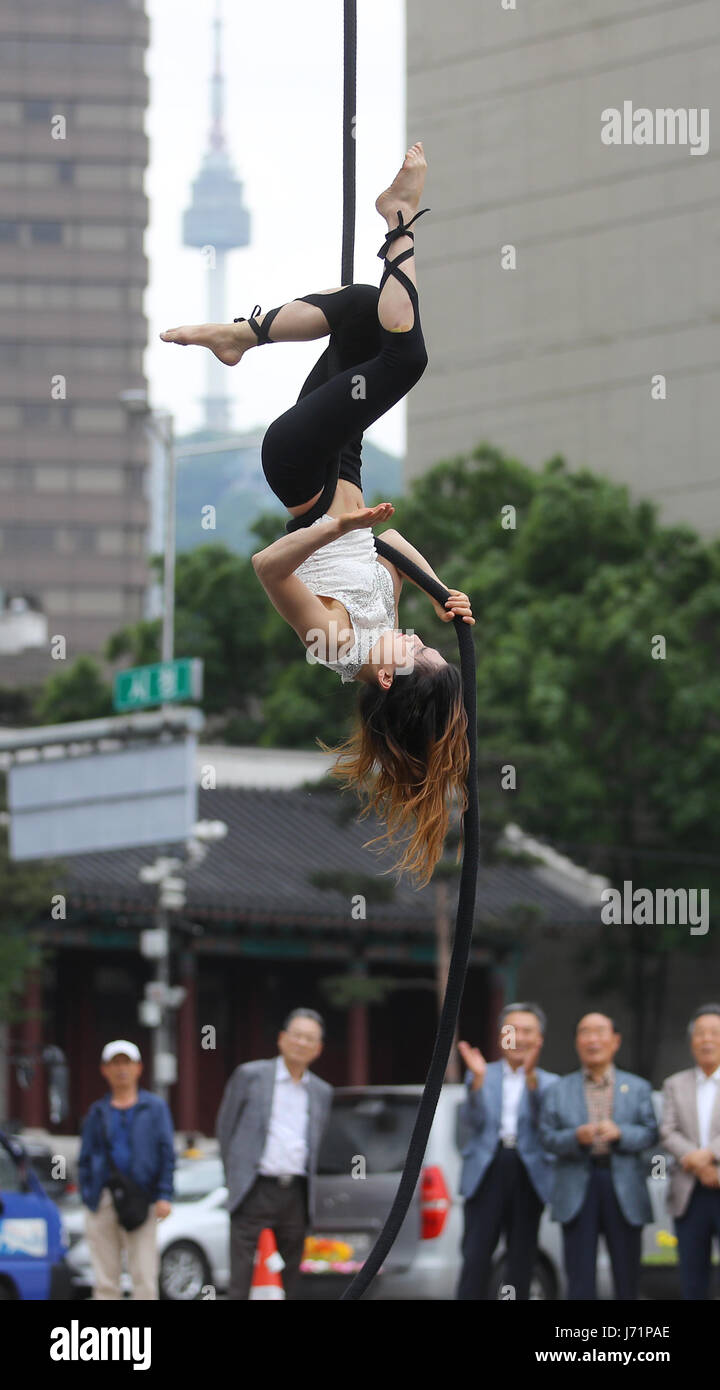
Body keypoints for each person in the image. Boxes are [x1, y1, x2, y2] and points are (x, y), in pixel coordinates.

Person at [160, 143, 474, 890]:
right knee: (368, 313)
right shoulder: (392, 622)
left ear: (393, 680)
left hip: (300, 469)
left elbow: (268, 569)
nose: (426, 643)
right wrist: (436, 587)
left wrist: (331, 530)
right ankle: (243, 334)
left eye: (423, 655)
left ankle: (399, 217)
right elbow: (387, 539)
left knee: (406, 359)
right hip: (346, 468)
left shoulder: (336, 647)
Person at [539, 1013, 658, 1300]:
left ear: (615, 1041)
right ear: (577, 1042)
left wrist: (621, 1134)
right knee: (579, 1278)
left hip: (623, 1184)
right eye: (585, 1032)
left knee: (627, 1276)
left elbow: (652, 1134)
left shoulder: (638, 1087)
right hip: (578, 1181)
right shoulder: (559, 1089)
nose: (593, 1039)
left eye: (600, 1032)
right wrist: (574, 1138)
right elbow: (547, 1138)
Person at [216, 1009, 332, 1300]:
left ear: (318, 1049)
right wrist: (234, 1179)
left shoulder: (321, 1091)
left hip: (295, 1190)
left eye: (310, 1039)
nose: (302, 1043)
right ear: (282, 1039)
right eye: (297, 1035)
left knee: (291, 1275)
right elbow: (225, 1128)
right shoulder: (251, 1075)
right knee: (241, 1276)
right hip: (254, 1186)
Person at [455, 1003, 558, 1299]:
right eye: (512, 1030)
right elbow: (471, 1123)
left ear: (539, 1039)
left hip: (528, 1171)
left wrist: (531, 1079)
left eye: (528, 1031)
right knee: (476, 1254)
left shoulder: (550, 1083)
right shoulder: (481, 1073)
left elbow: (547, 1126)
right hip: (488, 1167)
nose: (520, 1037)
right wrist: (476, 1082)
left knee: (522, 1255)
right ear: (502, 1036)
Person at [77, 1040, 175, 1300]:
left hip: (143, 1198)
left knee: (144, 1274)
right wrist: (89, 1195)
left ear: (139, 1068)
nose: (121, 1069)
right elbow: (85, 1157)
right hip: (104, 1198)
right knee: (105, 1279)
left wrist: (164, 1194)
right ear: (104, 1070)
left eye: (127, 1063)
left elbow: (167, 1153)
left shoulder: (154, 1108)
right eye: (115, 1063)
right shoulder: (97, 1112)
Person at [660, 1004, 720, 1299]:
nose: (707, 1039)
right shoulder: (675, 1084)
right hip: (688, 1192)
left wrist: (708, 1155)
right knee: (692, 1278)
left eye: (715, 1033)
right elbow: (667, 1131)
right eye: (701, 1033)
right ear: (691, 1040)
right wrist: (697, 1162)